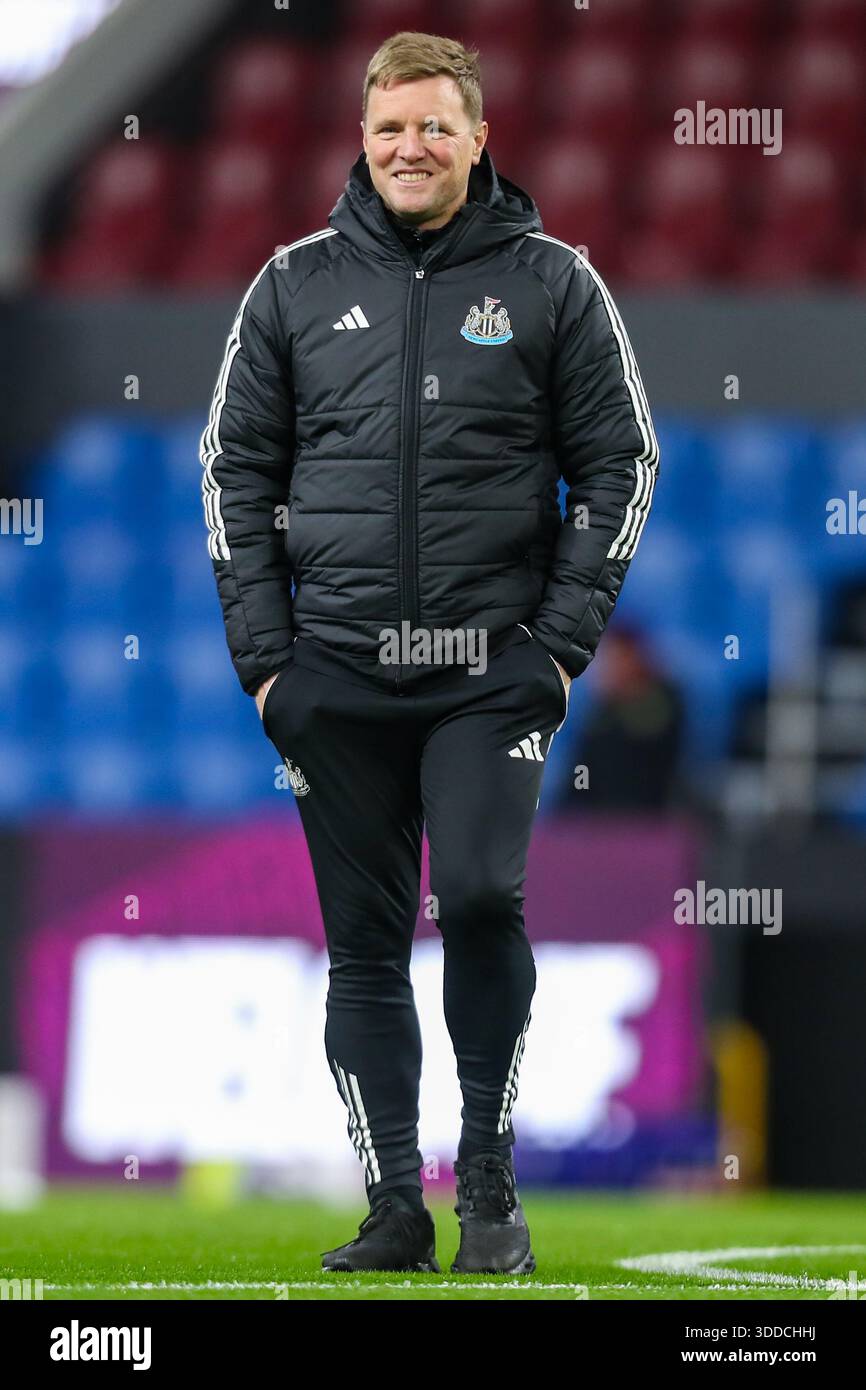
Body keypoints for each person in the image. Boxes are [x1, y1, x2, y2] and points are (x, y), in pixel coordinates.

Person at [200, 30, 658, 1276]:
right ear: (361, 136)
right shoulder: (286, 286)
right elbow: (232, 472)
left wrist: (557, 648)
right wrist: (267, 661)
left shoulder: (556, 282)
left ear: (476, 140)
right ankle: (394, 1202)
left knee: (480, 894)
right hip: (333, 673)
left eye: (435, 127)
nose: (411, 147)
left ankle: (491, 1182)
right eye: (390, 125)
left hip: (486, 668)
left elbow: (622, 465)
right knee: (360, 940)